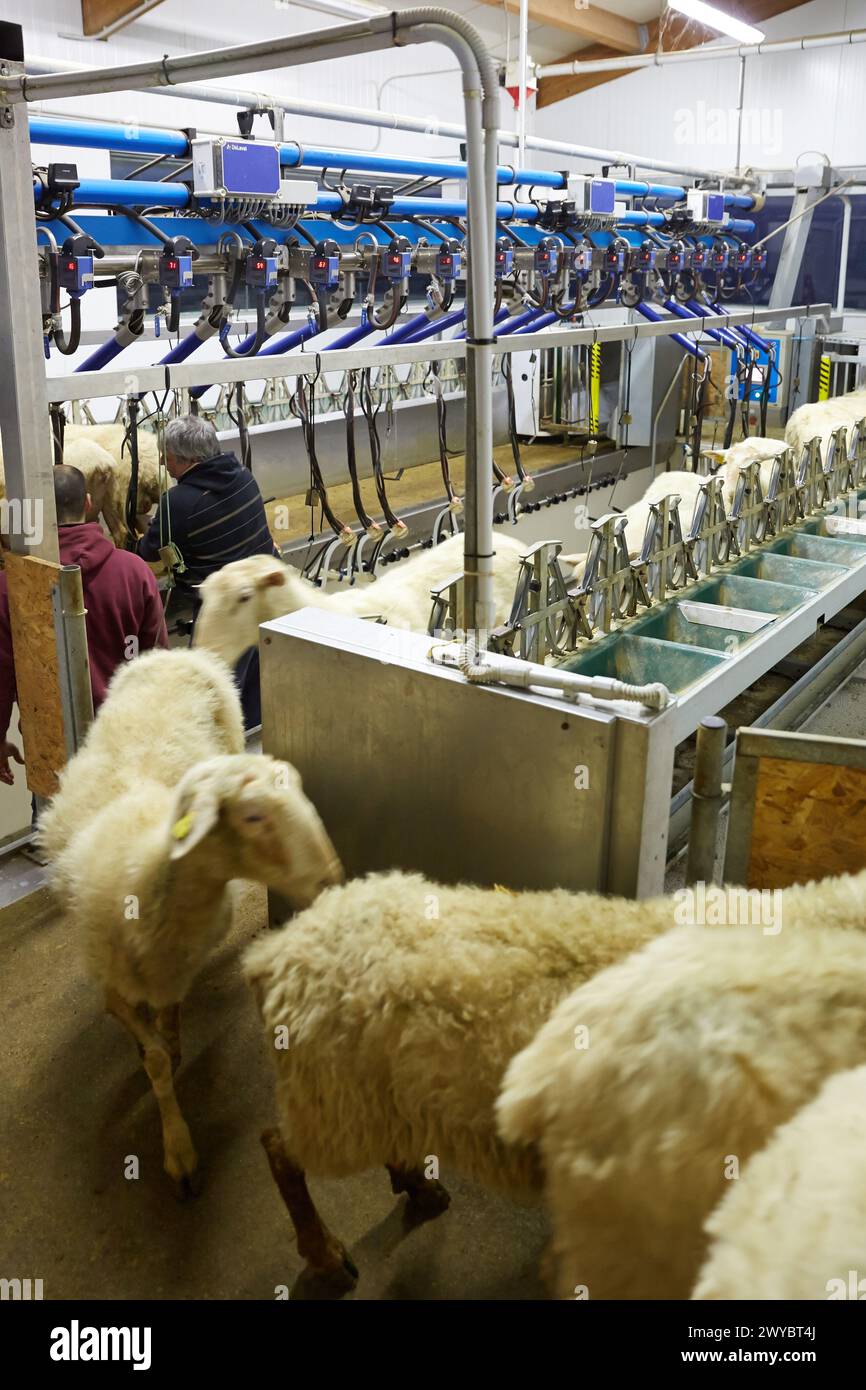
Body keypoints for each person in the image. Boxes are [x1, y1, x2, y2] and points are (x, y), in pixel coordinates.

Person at [0, 464, 168, 785]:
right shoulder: (134, 571)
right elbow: (158, 663)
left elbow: (3, 673)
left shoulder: (11, 588)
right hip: (128, 741)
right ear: (89, 503)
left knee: (61, 830)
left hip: (54, 754)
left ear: (37, 511)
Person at [137, 415, 278, 729]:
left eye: (168, 457)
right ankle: (253, 742)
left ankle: (220, 759)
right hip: (266, 599)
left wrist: (137, 527)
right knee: (253, 687)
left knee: (211, 697)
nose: (163, 462)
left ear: (189, 461)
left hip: (225, 611)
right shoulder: (243, 476)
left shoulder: (178, 502)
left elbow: (148, 551)